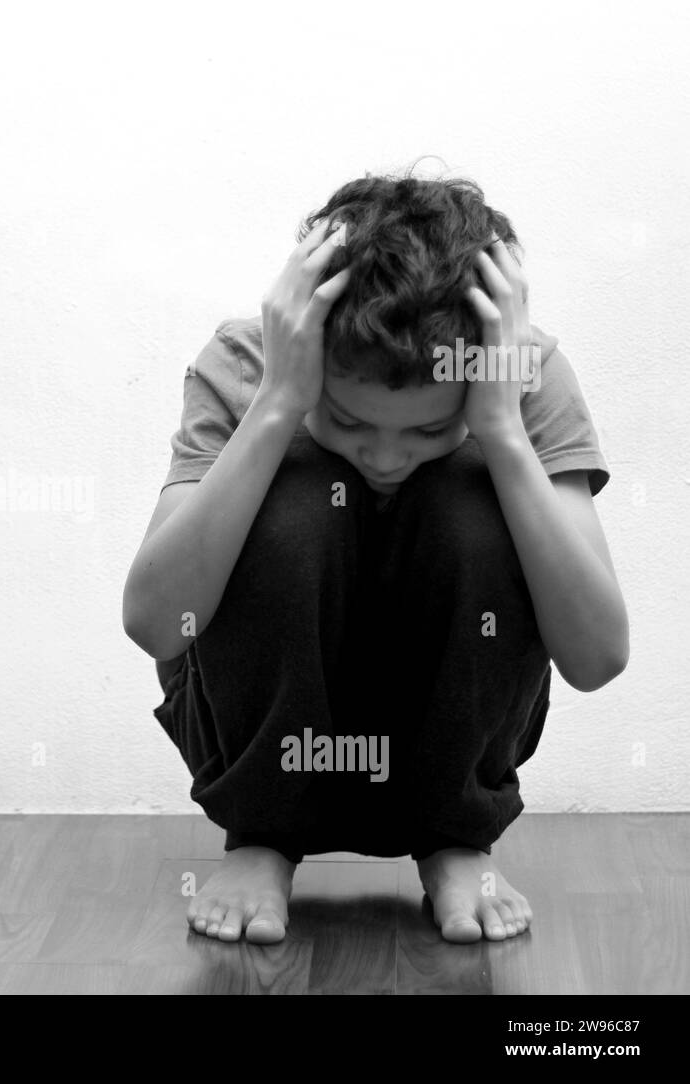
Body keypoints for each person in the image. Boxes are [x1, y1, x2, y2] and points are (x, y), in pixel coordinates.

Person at [121, 171, 629, 944]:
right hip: (262, 736)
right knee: (289, 492)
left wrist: (496, 427)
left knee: (476, 498)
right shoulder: (253, 364)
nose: (387, 457)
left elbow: (596, 658)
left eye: (427, 431)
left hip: (444, 735)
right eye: (354, 422)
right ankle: (264, 834)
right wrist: (281, 405)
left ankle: (455, 837)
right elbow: (159, 625)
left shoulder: (521, 374)